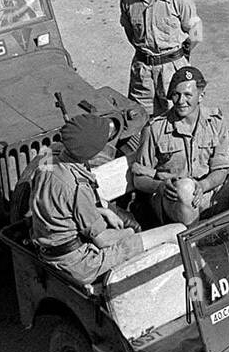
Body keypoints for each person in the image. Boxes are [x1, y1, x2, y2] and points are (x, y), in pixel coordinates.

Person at [28, 113, 181, 289]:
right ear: (91, 151)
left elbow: (58, 205)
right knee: (177, 230)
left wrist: (104, 211)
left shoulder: (47, 161)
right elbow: (104, 241)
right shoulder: (79, 187)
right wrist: (130, 233)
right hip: (82, 264)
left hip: (50, 248)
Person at [130, 66, 229, 226]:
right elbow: (139, 179)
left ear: (200, 96)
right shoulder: (155, 129)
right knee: (185, 188)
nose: (181, 101)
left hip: (206, 192)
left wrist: (204, 185)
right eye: (176, 95)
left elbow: (221, 169)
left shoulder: (215, 122)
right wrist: (160, 187)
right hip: (172, 199)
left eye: (187, 95)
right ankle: (193, 245)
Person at [119, 0, 202, 115]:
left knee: (177, 117)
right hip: (143, 72)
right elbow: (130, 32)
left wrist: (182, 55)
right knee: (139, 118)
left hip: (172, 69)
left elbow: (196, 31)